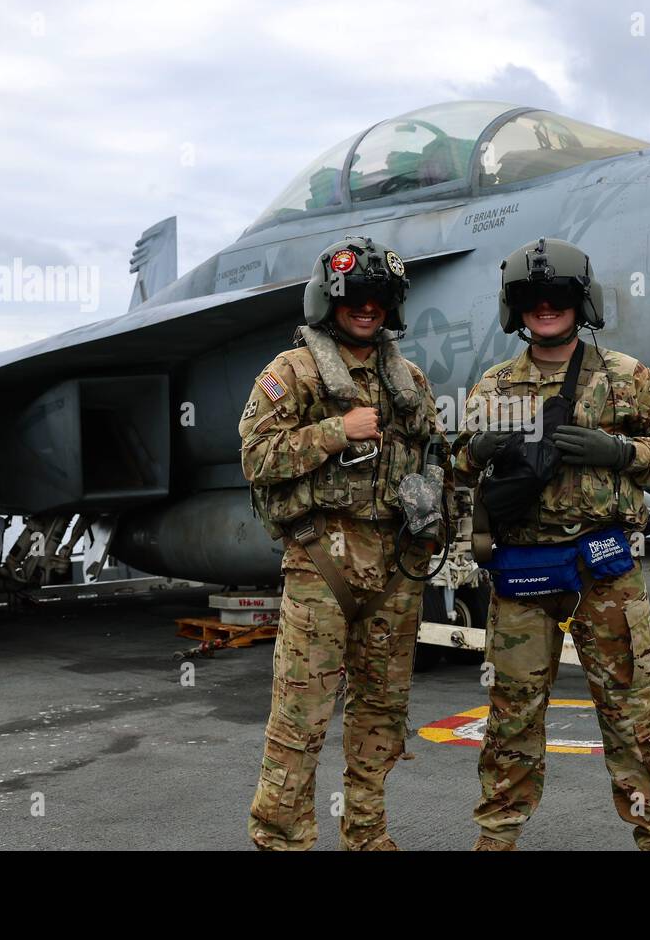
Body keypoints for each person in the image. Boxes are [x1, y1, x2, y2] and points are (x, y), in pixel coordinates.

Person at [453, 237, 650, 850]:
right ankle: (497, 838)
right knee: (511, 717)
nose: (546, 307)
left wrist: (622, 452)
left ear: (579, 302)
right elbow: (458, 460)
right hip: (523, 575)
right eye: (533, 299)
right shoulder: (494, 384)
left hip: (602, 572)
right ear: (517, 311)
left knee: (632, 712)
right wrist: (475, 451)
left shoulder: (625, 378)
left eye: (558, 296)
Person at [240, 235, 443, 850]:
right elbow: (256, 458)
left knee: (382, 717)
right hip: (321, 564)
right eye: (354, 297)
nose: (366, 308)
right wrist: (336, 431)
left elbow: (434, 458)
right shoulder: (291, 373)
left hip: (396, 571)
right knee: (301, 717)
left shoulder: (409, 380)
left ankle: (367, 835)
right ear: (330, 302)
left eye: (377, 300)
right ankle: (282, 839)